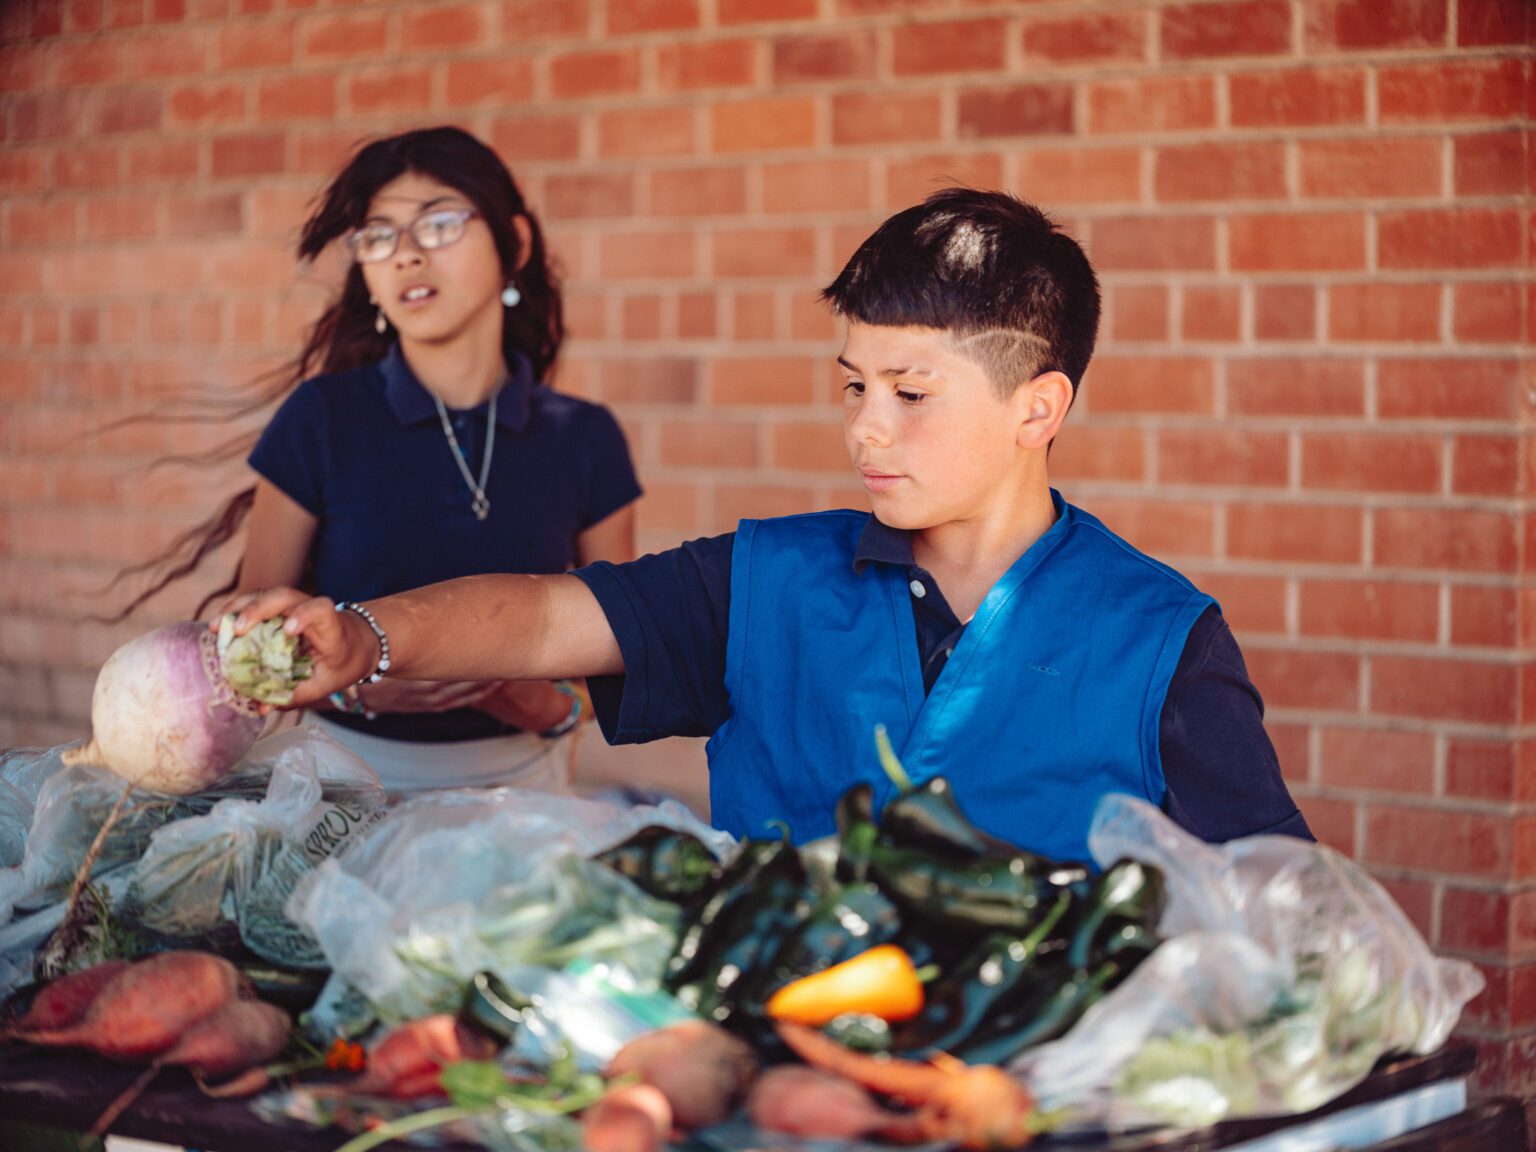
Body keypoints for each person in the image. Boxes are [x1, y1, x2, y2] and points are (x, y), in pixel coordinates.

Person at [224, 188, 1310, 860]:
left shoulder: (1162, 636)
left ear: (1040, 407)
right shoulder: (771, 578)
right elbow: (550, 615)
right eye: (852, 386)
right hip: (763, 1097)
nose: (865, 429)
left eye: (910, 393)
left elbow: (1277, 906)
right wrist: (366, 635)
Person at [125, 126, 642, 795]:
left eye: (439, 224)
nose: (406, 255)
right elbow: (245, 629)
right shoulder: (322, 418)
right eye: (379, 235)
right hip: (340, 789)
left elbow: (630, 647)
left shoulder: (586, 438)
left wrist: (558, 705)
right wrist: (350, 680)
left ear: (513, 242)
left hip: (520, 798)